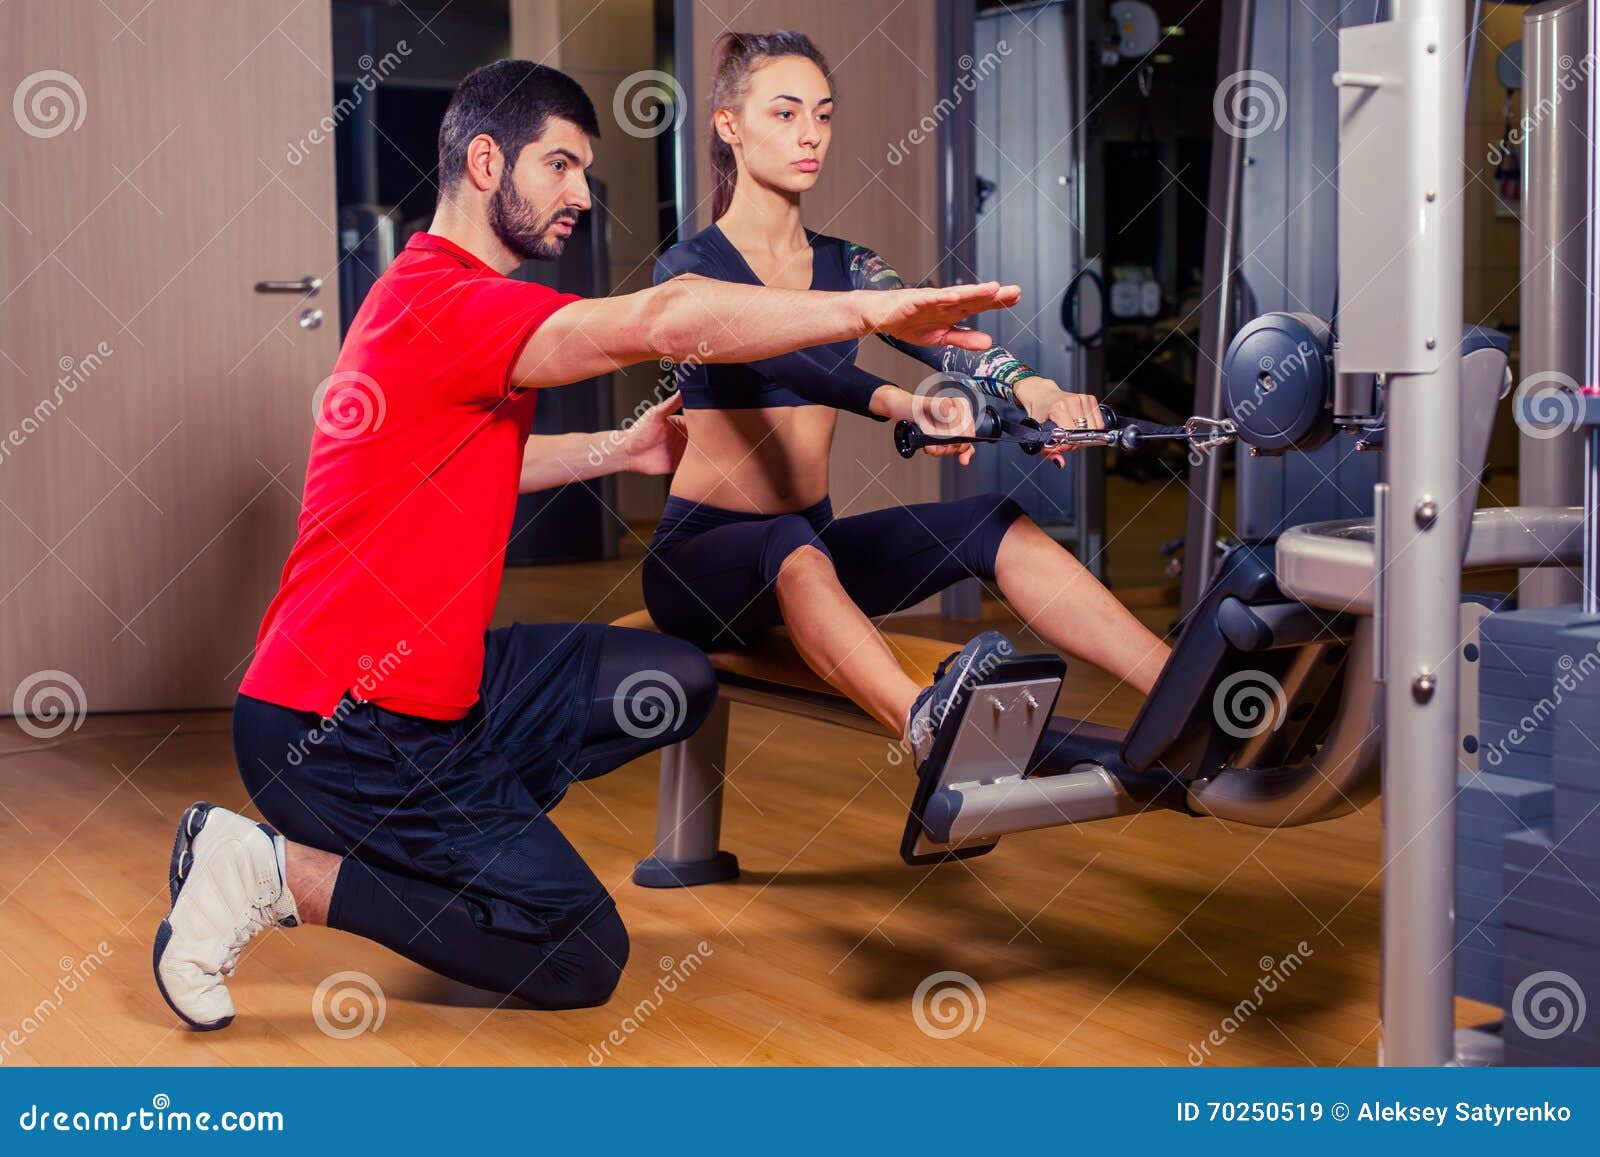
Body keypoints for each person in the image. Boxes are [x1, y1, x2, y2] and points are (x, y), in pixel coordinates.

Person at [153, 59, 1023, 1029]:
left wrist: (623, 446)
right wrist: (865, 310)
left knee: (673, 678)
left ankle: (464, 852)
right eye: (559, 166)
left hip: (442, 694)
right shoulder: (451, 302)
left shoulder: (434, 299)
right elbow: (665, 318)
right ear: (486, 163)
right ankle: (276, 872)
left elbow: (460, 459)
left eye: (584, 169)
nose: (579, 193)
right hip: (336, 726)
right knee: (580, 951)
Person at [643, 30, 1173, 772]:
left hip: (811, 551)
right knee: (786, 548)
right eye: (786, 114)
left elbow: (932, 333)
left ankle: (1183, 693)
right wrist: (903, 403)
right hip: (700, 562)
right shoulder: (690, 269)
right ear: (729, 125)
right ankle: (924, 724)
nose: (811, 136)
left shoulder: (847, 265)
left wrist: (1035, 389)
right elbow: (789, 361)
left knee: (993, 523)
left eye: (823, 116)